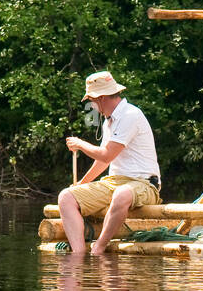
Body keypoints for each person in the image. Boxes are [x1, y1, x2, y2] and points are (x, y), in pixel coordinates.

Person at [59, 71, 162, 255]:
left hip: (144, 183)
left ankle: (98, 248)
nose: (92, 105)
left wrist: (80, 144)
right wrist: (82, 184)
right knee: (66, 197)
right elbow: (103, 162)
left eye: (91, 99)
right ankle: (78, 255)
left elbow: (106, 155)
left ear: (101, 98)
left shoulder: (130, 115)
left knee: (121, 194)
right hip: (114, 182)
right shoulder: (109, 121)